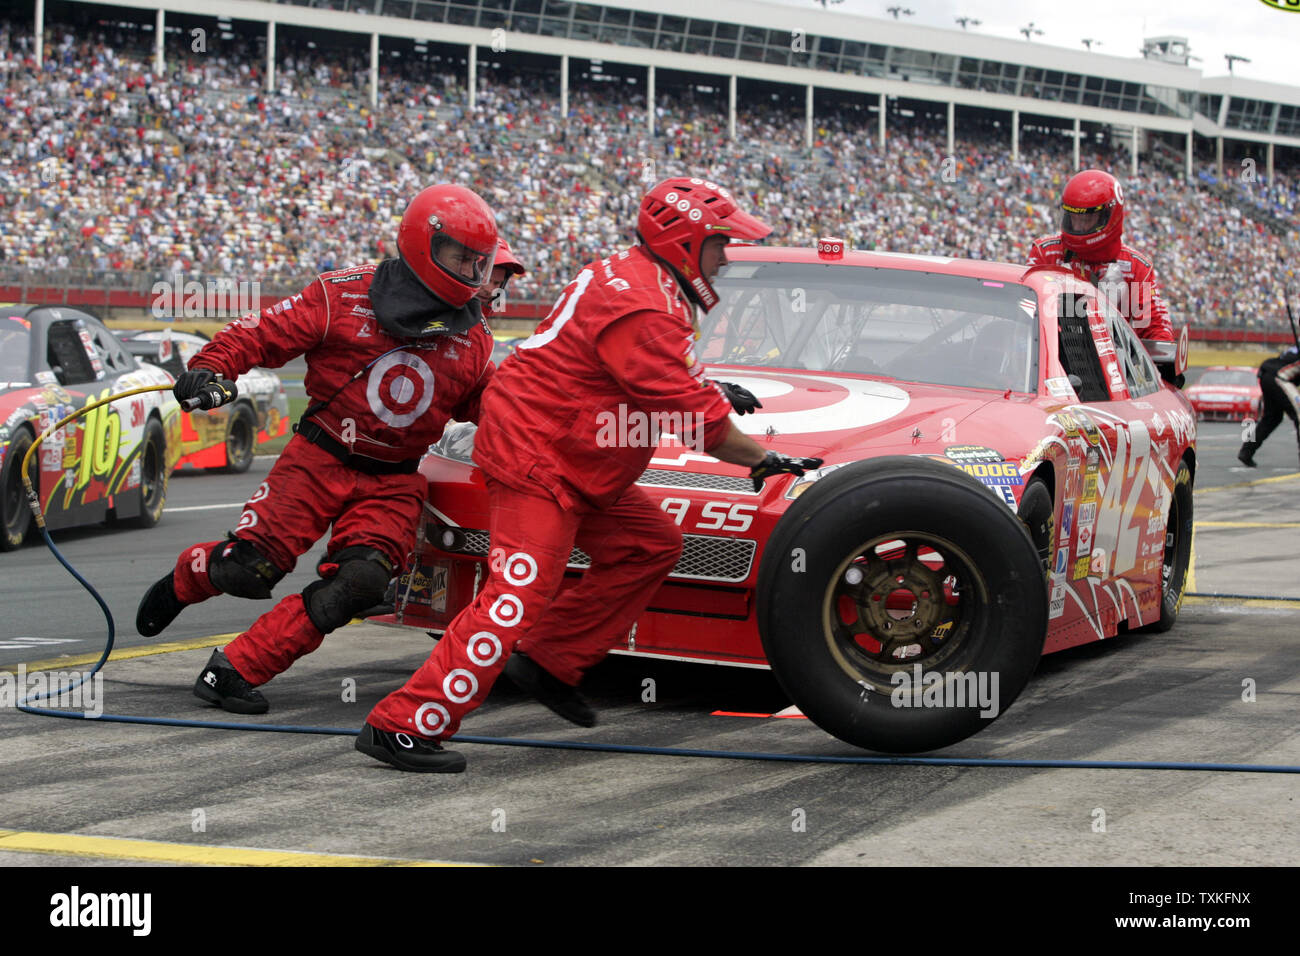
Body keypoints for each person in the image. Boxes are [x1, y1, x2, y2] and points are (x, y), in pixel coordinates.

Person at [355, 176, 821, 772]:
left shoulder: (634, 275)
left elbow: (632, 372)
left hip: (571, 458)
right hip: (540, 459)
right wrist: (761, 457)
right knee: (515, 595)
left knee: (650, 545)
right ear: (685, 243)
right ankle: (405, 722)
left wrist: (705, 388)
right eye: (719, 243)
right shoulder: (647, 304)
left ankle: (550, 660)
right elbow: (695, 418)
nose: (726, 256)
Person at [135, 184, 500, 714]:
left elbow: (498, 406)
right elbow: (259, 333)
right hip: (318, 457)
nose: (471, 272)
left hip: (395, 479)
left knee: (360, 582)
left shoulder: (477, 340)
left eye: (478, 261)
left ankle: (233, 669)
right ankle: (191, 575)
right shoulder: (340, 294)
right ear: (425, 244)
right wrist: (212, 369)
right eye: (459, 256)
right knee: (249, 568)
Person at [1027, 169, 1175, 347]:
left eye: (1087, 219)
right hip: (1052, 356)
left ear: (1109, 217)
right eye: (1074, 218)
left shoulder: (1136, 267)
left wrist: (1164, 369)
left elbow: (1156, 329)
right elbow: (1026, 312)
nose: (1079, 226)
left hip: (1111, 365)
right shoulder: (1045, 253)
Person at [1238, 345, 1300, 468]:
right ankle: (1246, 451)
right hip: (1279, 378)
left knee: (1272, 418)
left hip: (1267, 374)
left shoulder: (1295, 348)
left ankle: (1246, 451)